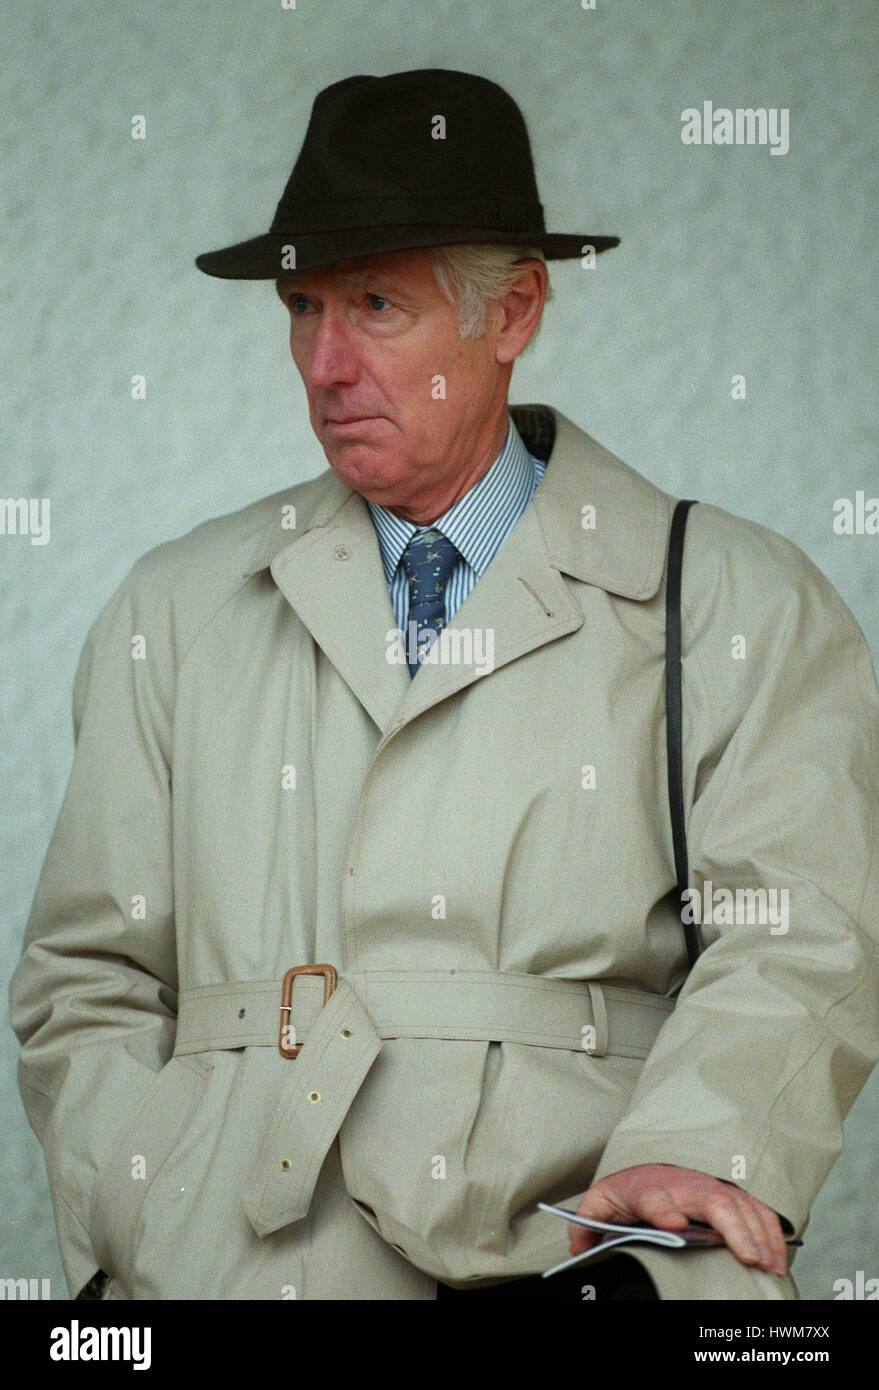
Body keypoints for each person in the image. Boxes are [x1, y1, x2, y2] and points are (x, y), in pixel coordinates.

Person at [9, 68, 879, 1302]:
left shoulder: (740, 602)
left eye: (374, 303)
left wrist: (697, 1149)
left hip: (585, 1259)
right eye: (302, 306)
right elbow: (85, 980)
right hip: (231, 1277)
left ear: (515, 310)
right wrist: (144, 1212)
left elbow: (799, 937)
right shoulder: (175, 607)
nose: (325, 360)